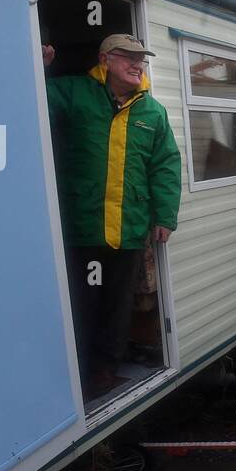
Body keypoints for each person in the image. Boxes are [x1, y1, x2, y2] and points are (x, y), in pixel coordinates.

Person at [43, 33, 182, 398]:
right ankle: (73, 370)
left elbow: (165, 165)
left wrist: (164, 215)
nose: (138, 64)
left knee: (117, 307)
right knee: (80, 302)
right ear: (105, 59)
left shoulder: (152, 111)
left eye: (141, 59)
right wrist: (37, 69)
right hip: (82, 226)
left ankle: (104, 372)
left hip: (129, 227)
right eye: (128, 57)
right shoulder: (74, 92)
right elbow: (31, 103)